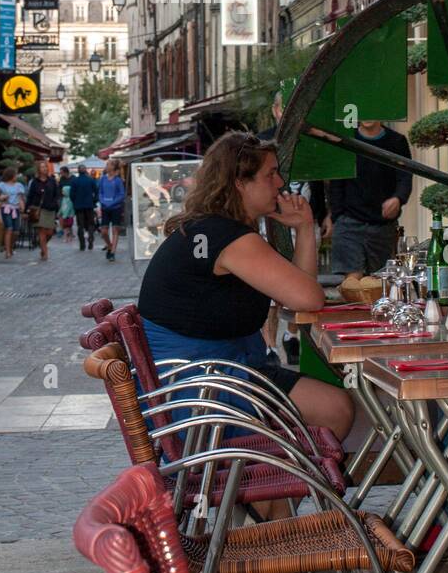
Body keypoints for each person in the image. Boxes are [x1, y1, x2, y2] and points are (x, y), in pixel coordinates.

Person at [137, 131, 354, 449]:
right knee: (334, 409)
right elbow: (308, 297)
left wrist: (305, 228)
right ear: (240, 182)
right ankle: (277, 494)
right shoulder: (228, 238)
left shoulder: (212, 229)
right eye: (270, 174)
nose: (280, 183)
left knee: (326, 407)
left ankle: (272, 496)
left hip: (192, 378)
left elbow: (299, 295)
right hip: (203, 387)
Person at [322, 119, 412, 279]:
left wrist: (398, 199)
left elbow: (405, 176)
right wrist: (336, 216)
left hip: (382, 224)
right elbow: (336, 182)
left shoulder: (396, 141)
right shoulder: (346, 140)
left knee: (379, 282)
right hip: (349, 221)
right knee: (353, 280)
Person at [26, 160, 60, 262]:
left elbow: (57, 194)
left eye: (45, 167)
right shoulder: (34, 182)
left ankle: (42, 245)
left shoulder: (52, 181)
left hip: (50, 209)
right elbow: (30, 196)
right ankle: (45, 252)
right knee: (42, 232)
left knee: (49, 232)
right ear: (39, 169)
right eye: (42, 167)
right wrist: (26, 209)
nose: (44, 169)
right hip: (39, 210)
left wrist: (55, 205)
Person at [0, 166, 26, 260]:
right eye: (16, 174)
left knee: (16, 232)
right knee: (9, 229)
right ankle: (7, 251)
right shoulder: (1, 185)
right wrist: (1, 198)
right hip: (6, 208)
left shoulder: (19, 185)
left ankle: (10, 247)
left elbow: (20, 198)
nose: (17, 176)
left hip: (16, 209)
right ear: (11, 175)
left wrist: (22, 207)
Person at [98, 159, 126, 262]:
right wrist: (102, 201)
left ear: (113, 167)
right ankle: (109, 246)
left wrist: (113, 202)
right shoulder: (103, 179)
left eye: (108, 164)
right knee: (104, 231)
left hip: (115, 208)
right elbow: (100, 192)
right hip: (105, 207)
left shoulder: (118, 180)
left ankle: (113, 252)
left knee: (115, 230)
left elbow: (121, 194)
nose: (106, 166)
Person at [70, 163, 98, 251]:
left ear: (78, 171)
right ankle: (90, 240)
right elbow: (97, 191)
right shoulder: (90, 180)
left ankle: (82, 244)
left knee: (80, 225)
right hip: (89, 205)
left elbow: (71, 194)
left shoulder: (74, 181)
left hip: (79, 206)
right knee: (90, 224)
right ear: (85, 170)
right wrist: (94, 201)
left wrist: (75, 202)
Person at [58, 169, 74, 242]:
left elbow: (70, 208)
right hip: (63, 198)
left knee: (68, 224)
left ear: (66, 172)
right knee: (65, 222)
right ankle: (64, 232)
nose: (61, 174)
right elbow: (59, 187)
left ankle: (69, 235)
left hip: (70, 197)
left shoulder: (73, 178)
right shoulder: (62, 179)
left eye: (61, 173)